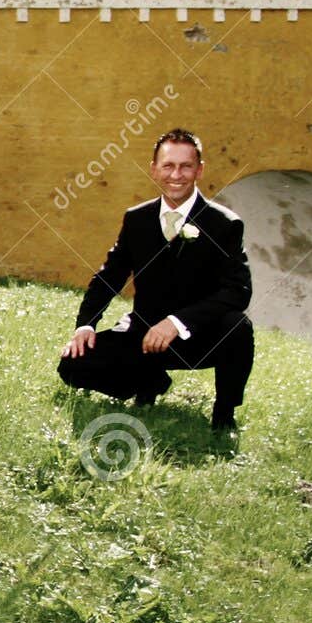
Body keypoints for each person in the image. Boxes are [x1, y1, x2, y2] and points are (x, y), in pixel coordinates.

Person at [57, 128, 253, 431]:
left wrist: (177, 322)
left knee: (238, 327)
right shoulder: (137, 218)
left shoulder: (223, 223)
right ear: (154, 169)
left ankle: (224, 414)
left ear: (199, 170)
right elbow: (110, 276)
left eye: (186, 166)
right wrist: (86, 324)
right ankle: (150, 381)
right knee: (72, 364)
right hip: (144, 336)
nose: (176, 175)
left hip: (197, 338)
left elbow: (238, 290)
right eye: (168, 166)